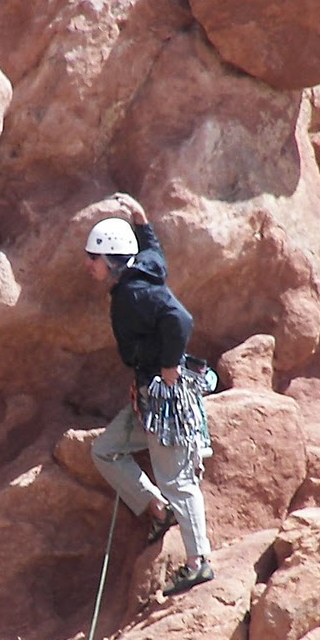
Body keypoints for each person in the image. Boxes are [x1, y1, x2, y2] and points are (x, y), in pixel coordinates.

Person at [85, 193, 214, 596]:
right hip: (148, 393)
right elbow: (154, 250)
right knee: (105, 450)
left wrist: (169, 366)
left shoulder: (132, 294)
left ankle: (199, 563)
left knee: (177, 480)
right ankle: (158, 511)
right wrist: (142, 219)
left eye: (92, 258)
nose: (88, 264)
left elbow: (180, 318)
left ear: (109, 261)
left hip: (163, 397)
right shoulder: (147, 266)